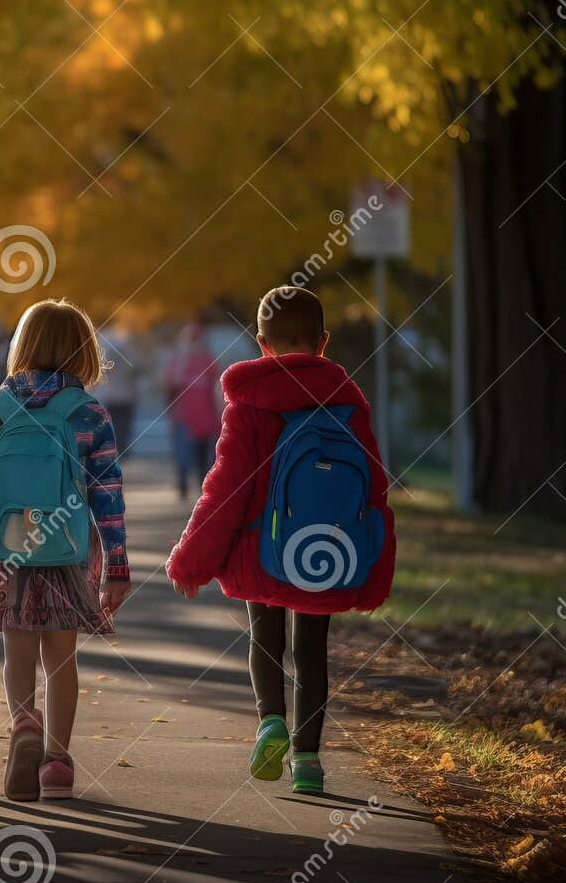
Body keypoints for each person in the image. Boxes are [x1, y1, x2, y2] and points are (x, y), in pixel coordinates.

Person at [166, 286, 395, 794]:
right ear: (323, 342)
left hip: (258, 551)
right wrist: (376, 574)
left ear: (262, 343)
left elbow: (224, 489)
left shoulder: (249, 403)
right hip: (327, 552)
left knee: (265, 641)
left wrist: (191, 561)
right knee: (312, 651)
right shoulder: (348, 403)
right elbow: (374, 489)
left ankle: (270, 720)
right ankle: (308, 761)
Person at [0, 300, 131, 801]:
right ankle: (56, 762)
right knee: (62, 656)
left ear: (23, 346)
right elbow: (109, 495)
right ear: (84, 352)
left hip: (9, 549)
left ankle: (24, 726)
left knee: (17, 647)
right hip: (70, 549)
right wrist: (117, 568)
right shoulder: (89, 411)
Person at [164, 317, 221, 497]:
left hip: (205, 416)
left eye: (196, 338)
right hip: (184, 416)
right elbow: (170, 385)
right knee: (183, 452)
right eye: (191, 338)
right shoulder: (179, 361)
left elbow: (218, 386)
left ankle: (202, 484)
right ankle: (182, 483)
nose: (194, 343)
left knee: (202, 453)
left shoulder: (208, 360)